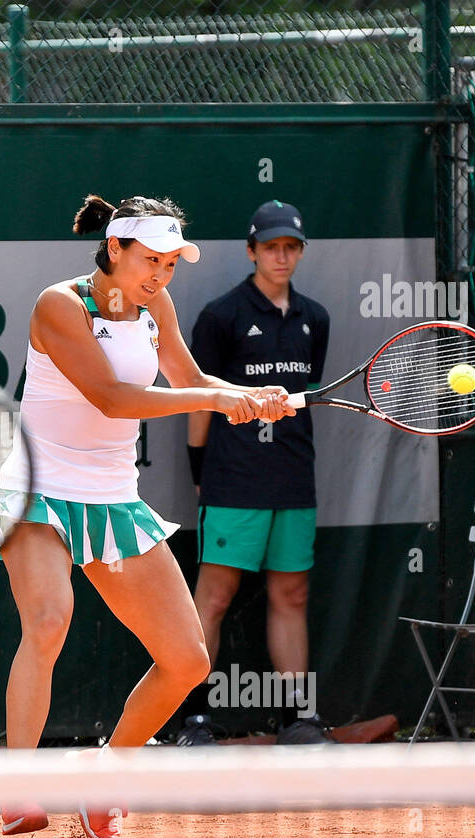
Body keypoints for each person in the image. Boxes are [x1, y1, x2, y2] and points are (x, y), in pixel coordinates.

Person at [0, 194, 292, 838]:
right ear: (115, 249)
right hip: (38, 489)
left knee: (186, 659)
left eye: (171, 264)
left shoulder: (157, 305)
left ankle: (105, 776)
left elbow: (185, 374)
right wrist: (213, 396)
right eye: (150, 259)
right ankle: (16, 787)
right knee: (48, 621)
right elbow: (114, 397)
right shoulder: (59, 305)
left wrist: (245, 397)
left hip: (112, 498)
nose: (160, 274)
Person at [178, 200, 333, 746]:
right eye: (271, 247)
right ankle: (194, 718)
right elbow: (202, 400)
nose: (282, 256)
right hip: (233, 478)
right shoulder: (220, 317)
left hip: (293, 479)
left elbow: (301, 398)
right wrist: (200, 467)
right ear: (252, 252)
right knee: (215, 597)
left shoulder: (315, 319)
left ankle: (297, 719)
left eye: (291, 247)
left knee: (291, 594)